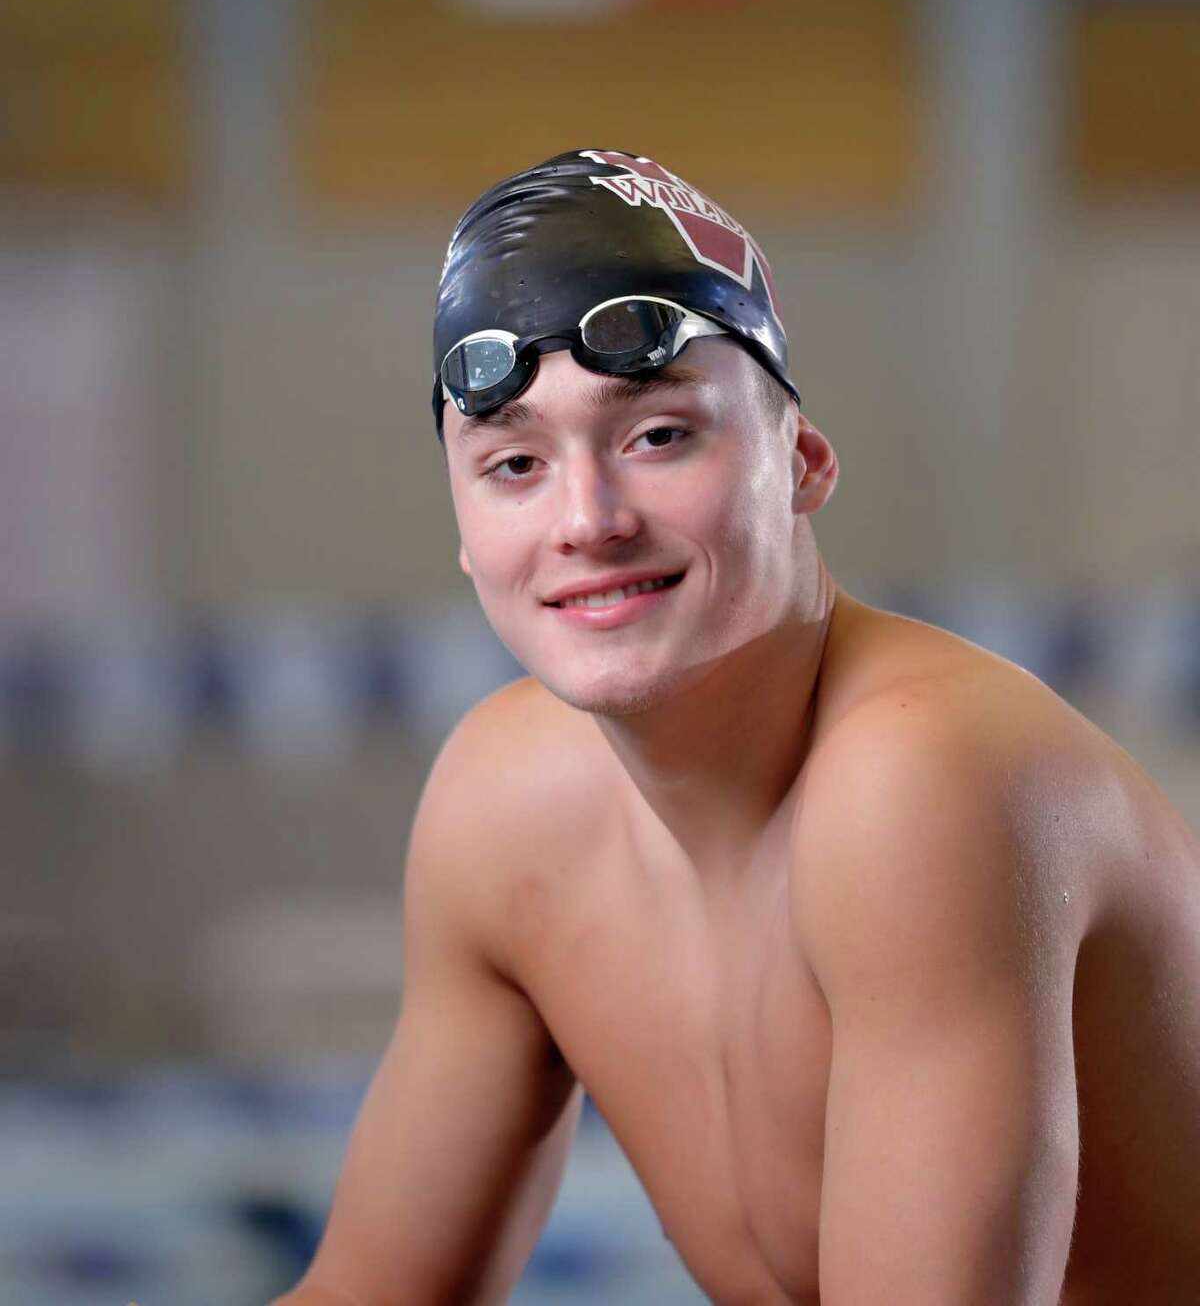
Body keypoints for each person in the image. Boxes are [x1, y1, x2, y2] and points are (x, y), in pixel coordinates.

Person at [276, 150, 1200, 1306]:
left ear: (800, 462)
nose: (588, 520)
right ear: (466, 531)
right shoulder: (502, 812)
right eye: (514, 463)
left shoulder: (928, 776)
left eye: (659, 436)